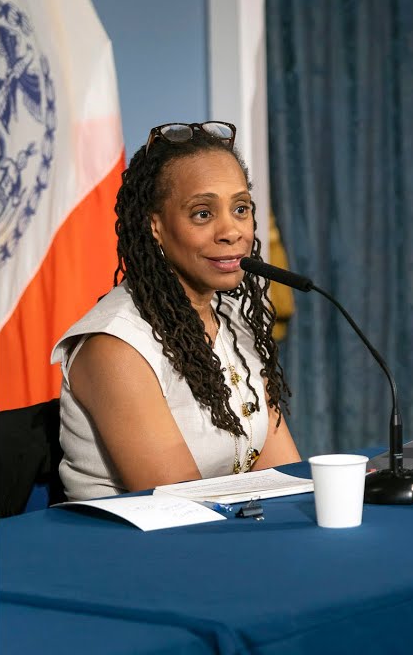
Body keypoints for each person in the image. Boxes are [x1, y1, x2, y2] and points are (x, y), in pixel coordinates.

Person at [50, 121, 301, 501]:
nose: (232, 231)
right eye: (202, 213)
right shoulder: (116, 346)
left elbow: (282, 476)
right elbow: (178, 507)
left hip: (218, 538)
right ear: (156, 227)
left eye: (240, 208)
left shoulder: (234, 322)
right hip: (132, 552)